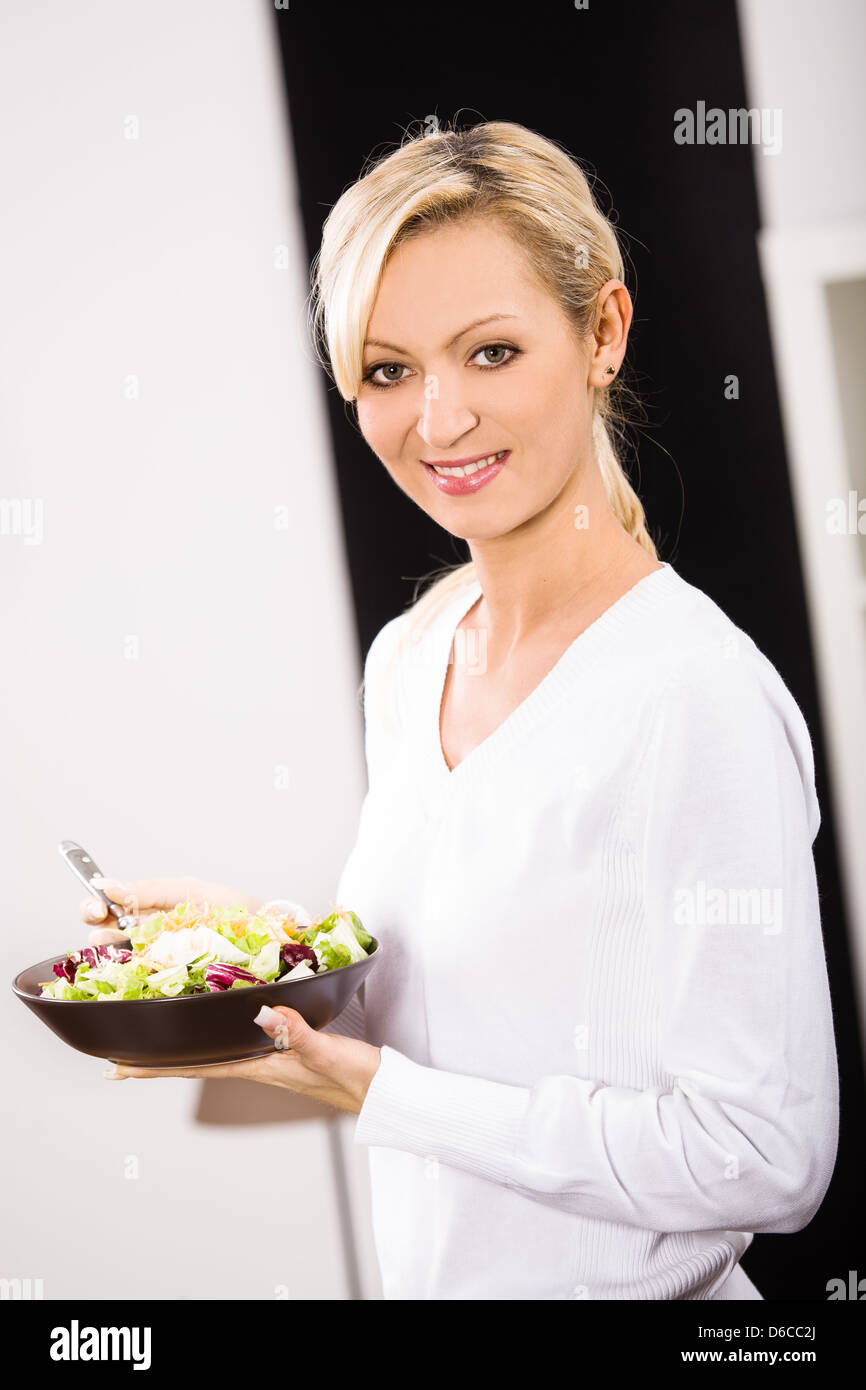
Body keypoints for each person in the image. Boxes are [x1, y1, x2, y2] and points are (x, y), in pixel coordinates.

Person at [85, 120, 839, 1300]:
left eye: (488, 352)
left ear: (602, 332)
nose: (437, 422)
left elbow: (764, 1156)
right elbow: (460, 1017)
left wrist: (381, 1093)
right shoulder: (411, 659)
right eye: (387, 371)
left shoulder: (690, 699)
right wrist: (250, 951)